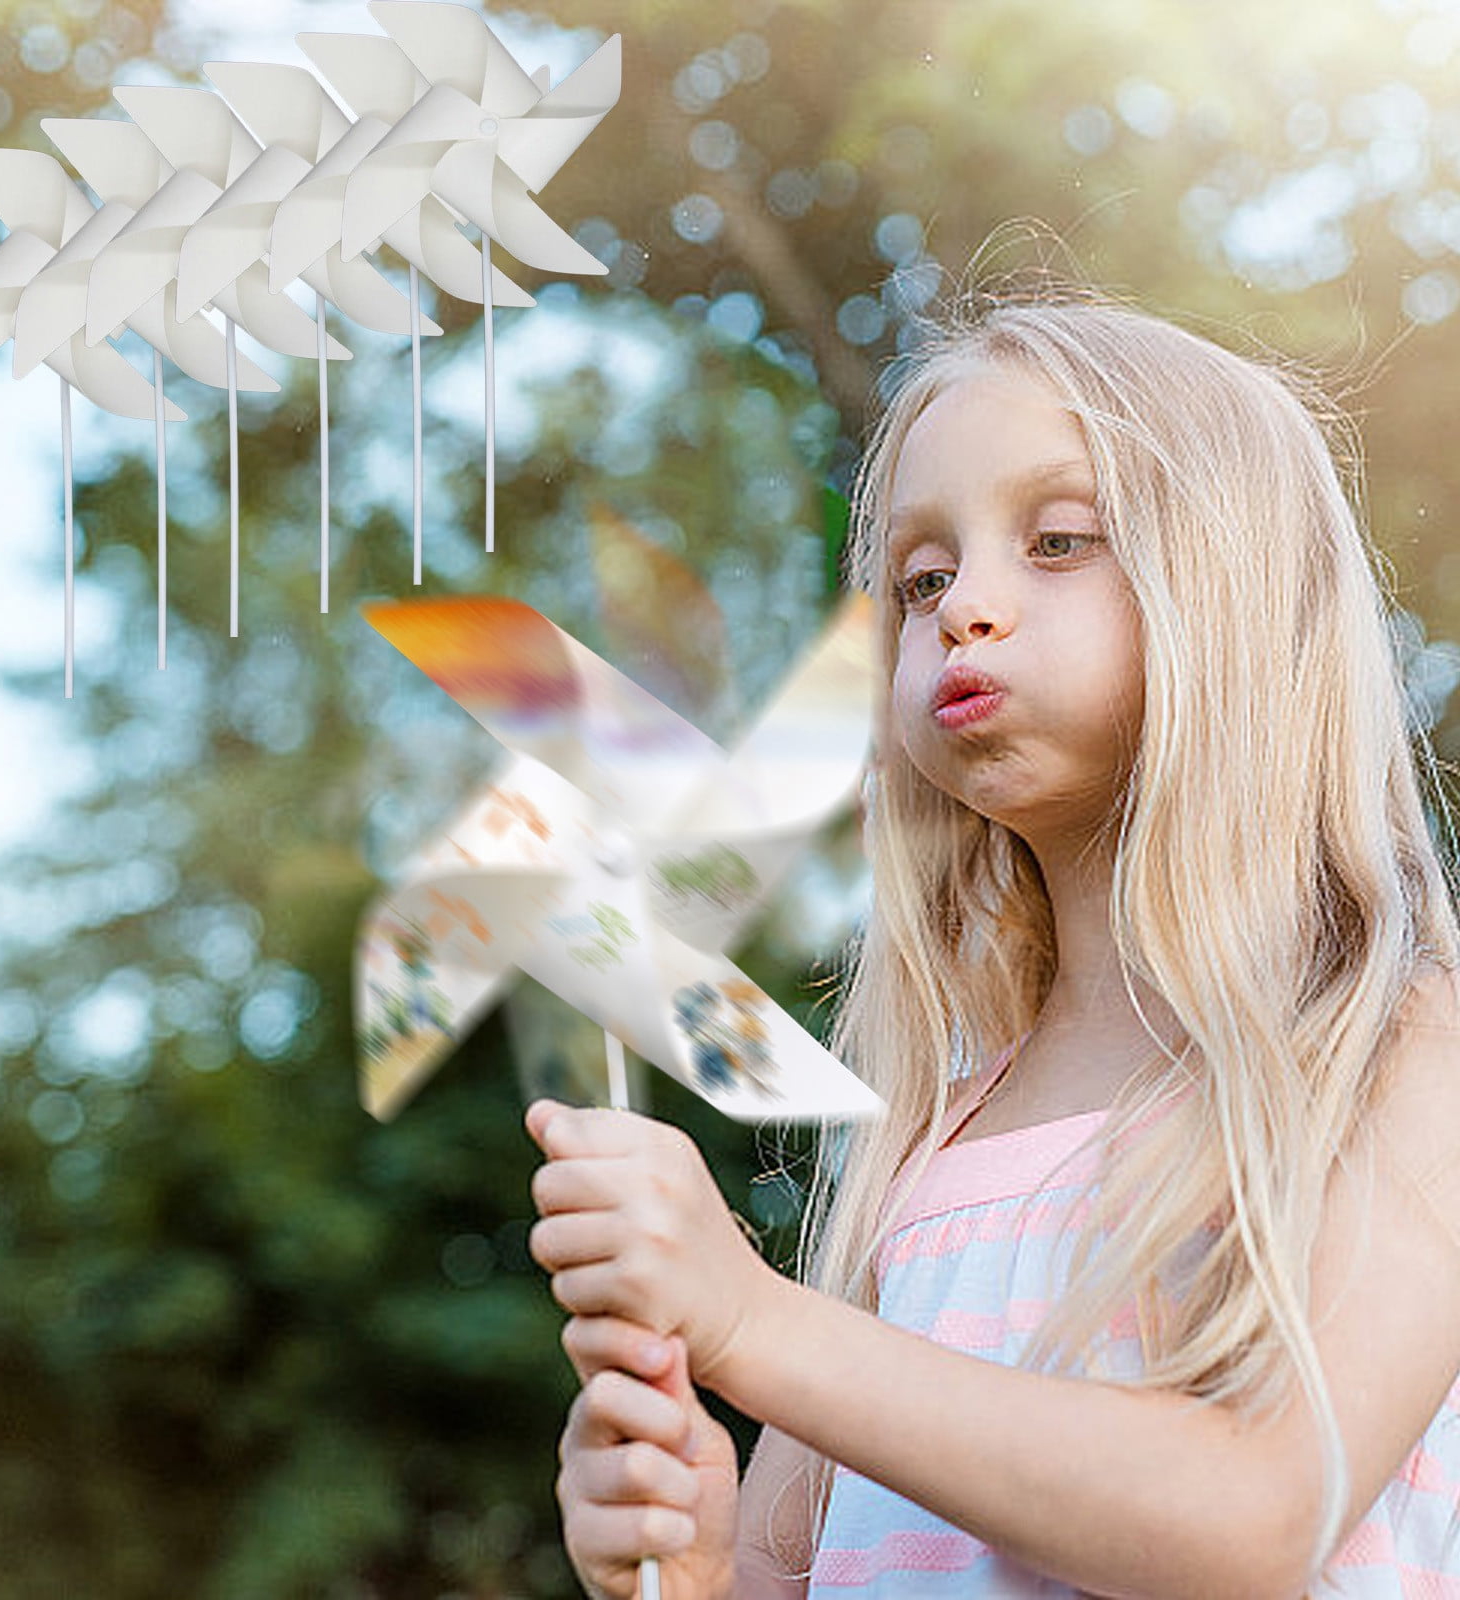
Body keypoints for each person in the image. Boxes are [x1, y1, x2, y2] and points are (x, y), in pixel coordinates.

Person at [524, 290, 1460, 1599]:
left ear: (1244, 592)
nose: (966, 600)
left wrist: (752, 1320)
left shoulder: (1393, 1046)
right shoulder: (929, 1142)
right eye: (921, 577)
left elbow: (1252, 1515)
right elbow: (810, 1576)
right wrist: (698, 1565)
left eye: (1060, 539)